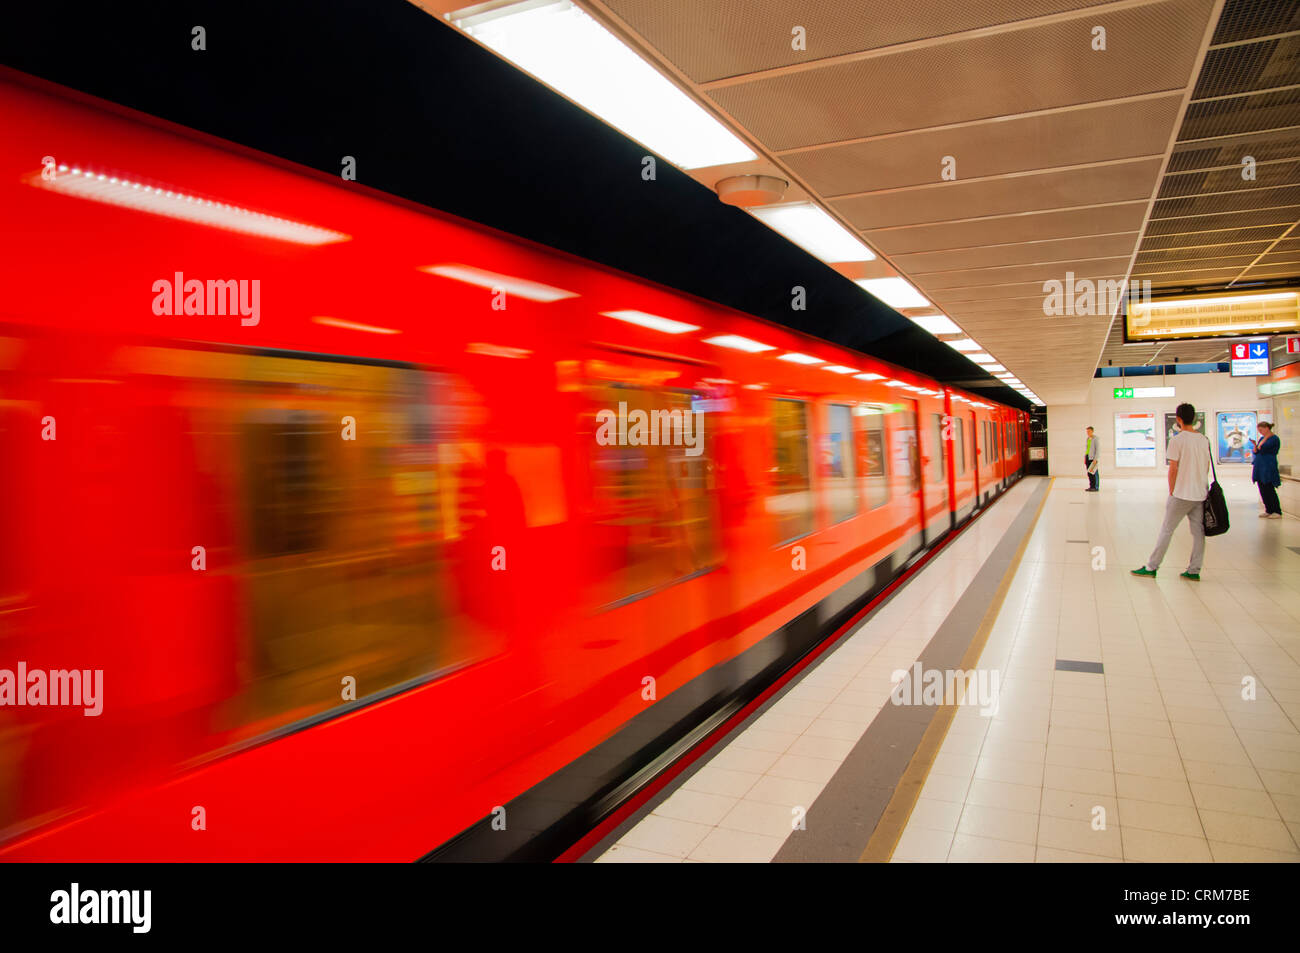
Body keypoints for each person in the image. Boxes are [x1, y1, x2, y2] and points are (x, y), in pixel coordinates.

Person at [1132, 402, 1212, 581]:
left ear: (1178, 419)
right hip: (1200, 494)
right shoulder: (1203, 440)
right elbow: (1206, 467)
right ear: (1195, 418)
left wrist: (1172, 491)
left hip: (1181, 494)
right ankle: (1194, 570)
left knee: (1167, 530)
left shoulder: (1177, 440)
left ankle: (1152, 567)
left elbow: (1173, 469)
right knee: (1198, 533)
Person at [1253, 421, 1282, 519]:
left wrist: (1261, 443)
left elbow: (1264, 448)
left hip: (1268, 466)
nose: (1260, 432)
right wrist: (1255, 447)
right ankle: (1268, 509)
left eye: (1261, 430)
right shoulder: (1262, 438)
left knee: (1269, 488)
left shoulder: (1274, 439)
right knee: (1262, 489)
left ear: (1267, 428)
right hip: (1260, 466)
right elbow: (1258, 451)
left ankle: (1276, 510)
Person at [1084, 426, 1100, 491]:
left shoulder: (1095, 439)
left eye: (1089, 431)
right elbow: (1087, 449)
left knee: (1094, 473)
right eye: (1087, 431)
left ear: (1092, 431)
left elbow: (1098, 449)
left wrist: (1095, 459)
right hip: (1088, 457)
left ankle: (1096, 487)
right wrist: (1085, 457)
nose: (1088, 433)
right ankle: (1091, 486)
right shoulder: (1088, 439)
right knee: (1089, 473)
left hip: (1093, 458)